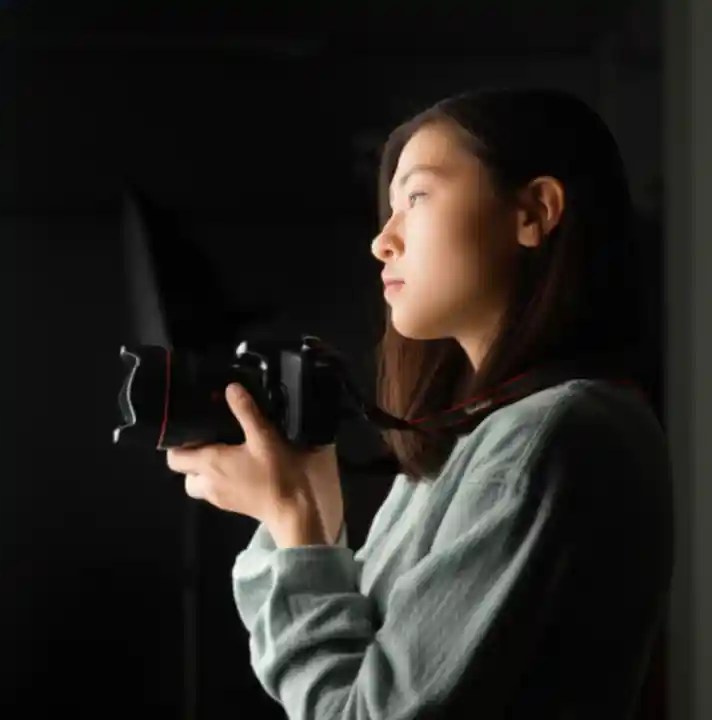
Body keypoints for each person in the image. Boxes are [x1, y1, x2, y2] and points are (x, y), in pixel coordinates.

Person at [165, 87, 673, 718]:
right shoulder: (489, 433)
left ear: (535, 212)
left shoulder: (546, 437)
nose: (384, 240)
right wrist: (305, 512)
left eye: (417, 197)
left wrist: (292, 517)